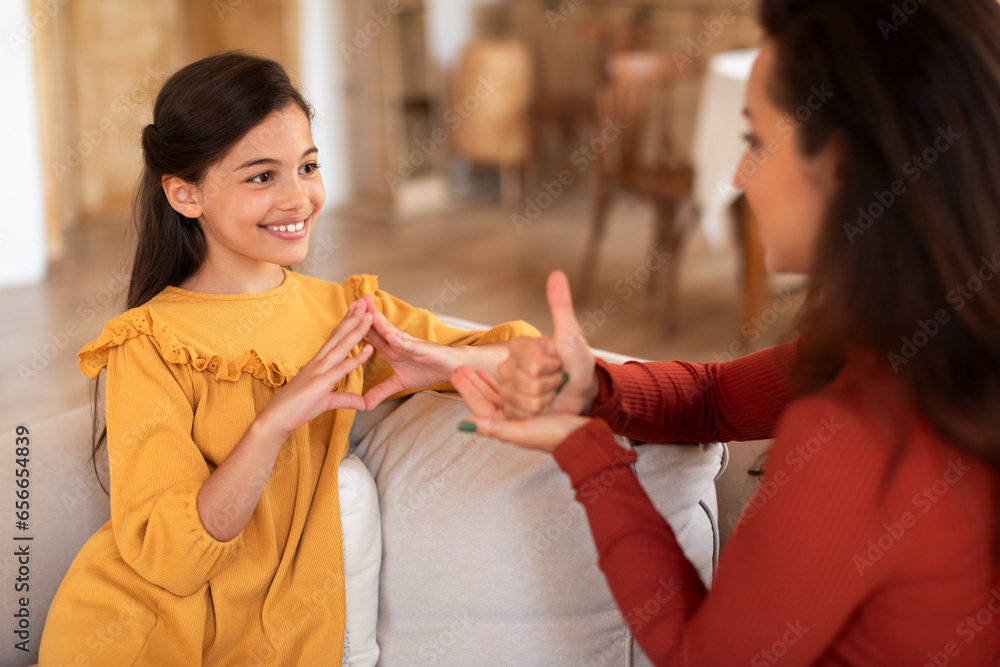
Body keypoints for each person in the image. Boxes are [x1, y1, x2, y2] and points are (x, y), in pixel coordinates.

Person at [452, 0, 1000, 664]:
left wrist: (588, 454)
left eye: (755, 141)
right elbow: (715, 396)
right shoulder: (921, 345)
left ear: (844, 165)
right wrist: (593, 383)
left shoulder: (861, 437)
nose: (738, 177)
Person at [37, 51, 536, 665]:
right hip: (136, 633)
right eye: (261, 176)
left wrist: (440, 360)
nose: (300, 197)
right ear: (184, 193)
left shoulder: (348, 313)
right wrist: (277, 419)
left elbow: (541, 361)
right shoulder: (146, 341)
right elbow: (172, 558)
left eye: (308, 165)